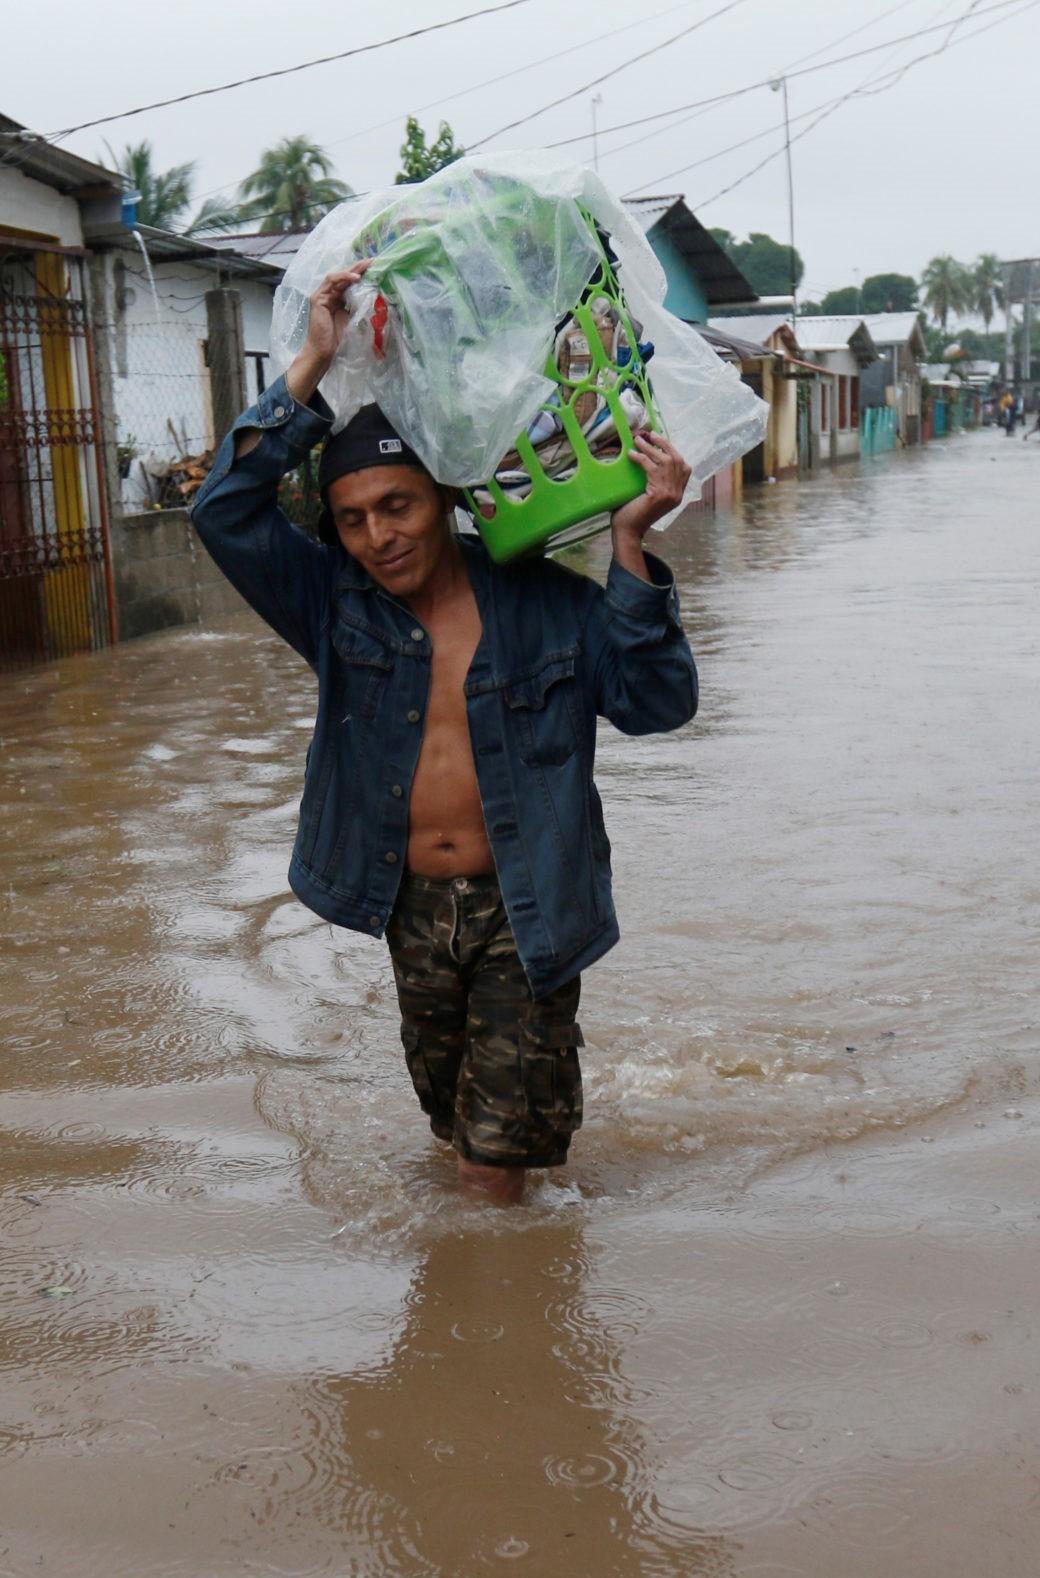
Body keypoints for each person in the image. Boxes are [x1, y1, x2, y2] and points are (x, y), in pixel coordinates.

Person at [190, 262, 698, 1204]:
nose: (378, 536)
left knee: (487, 1167)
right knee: (452, 1122)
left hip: (528, 904)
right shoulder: (334, 607)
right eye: (351, 520)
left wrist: (631, 551)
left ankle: (499, 1322)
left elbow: (657, 705)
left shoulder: (552, 605)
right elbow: (223, 510)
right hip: (407, 910)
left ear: (442, 502)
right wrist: (312, 359)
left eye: (397, 505)